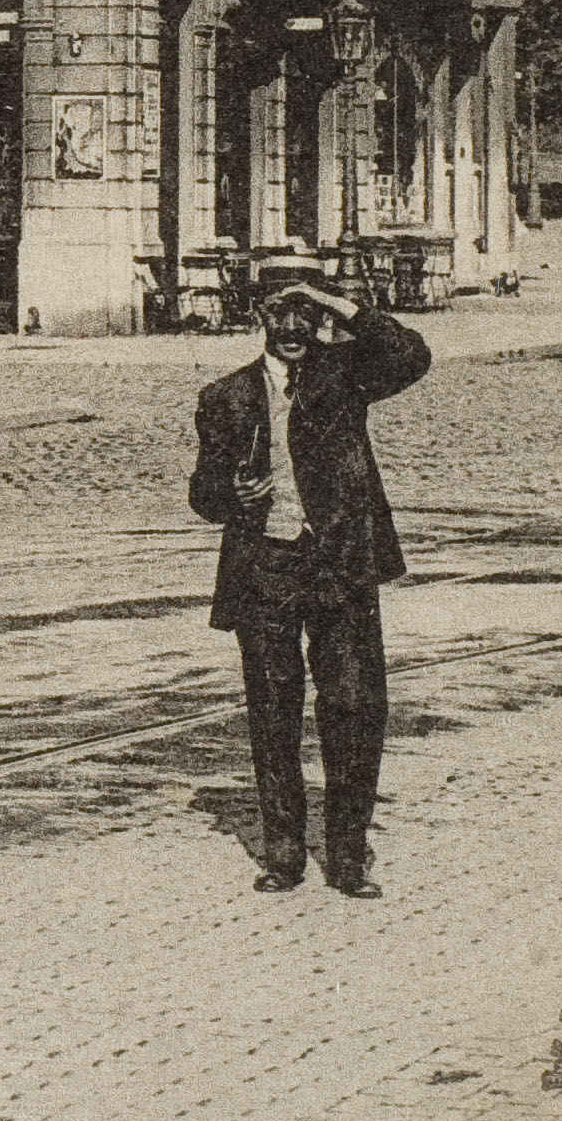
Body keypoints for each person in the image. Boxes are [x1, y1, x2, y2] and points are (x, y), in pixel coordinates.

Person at [190, 270, 434, 897]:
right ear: (259, 317)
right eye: (281, 313)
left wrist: (338, 303)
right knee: (272, 711)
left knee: (354, 705)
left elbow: (411, 355)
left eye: (306, 314)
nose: (294, 328)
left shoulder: (345, 374)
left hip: (341, 564)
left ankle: (348, 856)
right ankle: (283, 855)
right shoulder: (227, 396)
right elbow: (203, 493)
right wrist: (232, 495)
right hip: (265, 569)